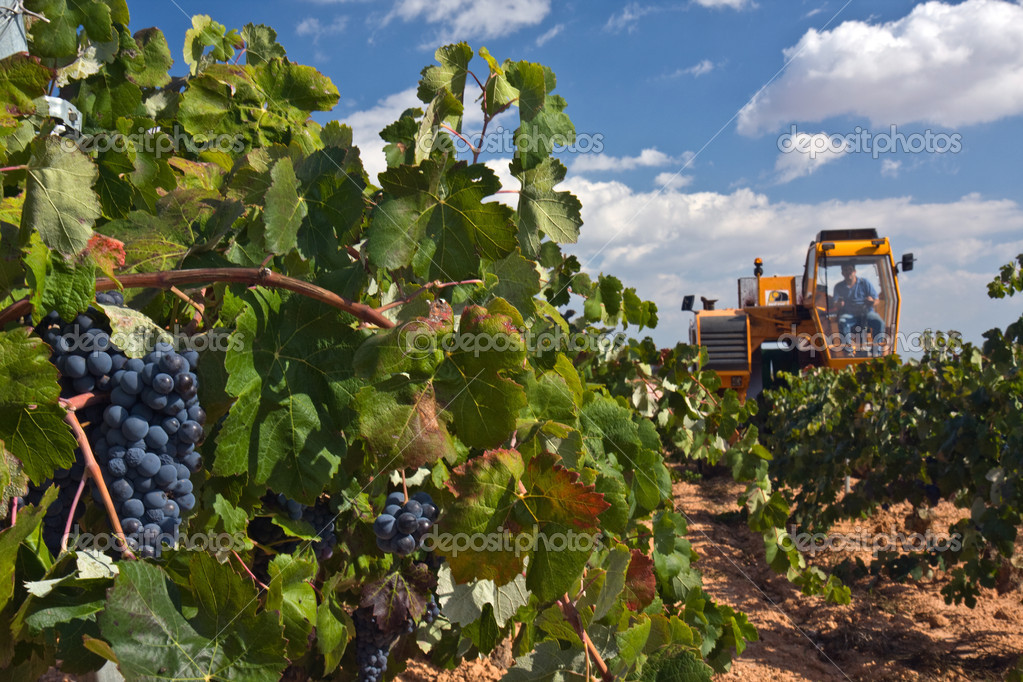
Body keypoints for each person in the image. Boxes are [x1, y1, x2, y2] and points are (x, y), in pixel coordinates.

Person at [833, 263, 884, 347]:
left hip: (867, 313)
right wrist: (838, 304)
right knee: (842, 321)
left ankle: (877, 350)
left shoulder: (865, 283)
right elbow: (834, 302)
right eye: (845, 270)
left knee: (879, 322)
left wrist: (871, 302)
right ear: (842, 273)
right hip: (849, 315)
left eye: (850, 269)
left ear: (855, 271)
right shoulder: (838, 287)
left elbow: (877, 300)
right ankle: (848, 351)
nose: (848, 272)